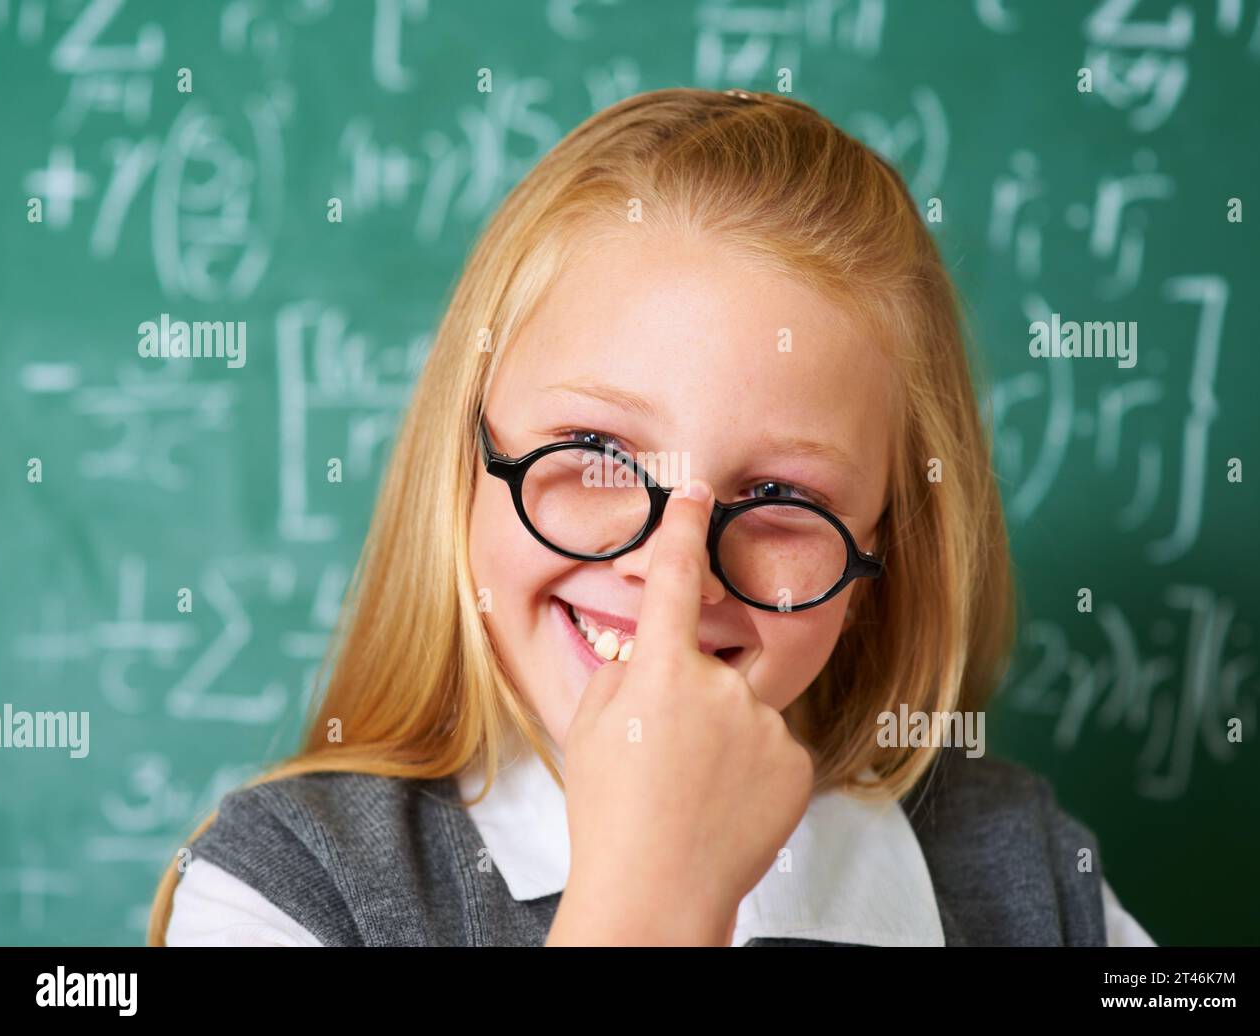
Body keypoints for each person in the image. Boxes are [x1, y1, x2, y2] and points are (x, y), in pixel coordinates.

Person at [148, 87, 1153, 947]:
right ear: (469, 461)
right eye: (595, 454)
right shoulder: (290, 888)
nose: (675, 573)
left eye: (780, 501)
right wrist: (652, 893)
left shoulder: (1026, 870)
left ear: (883, 549)